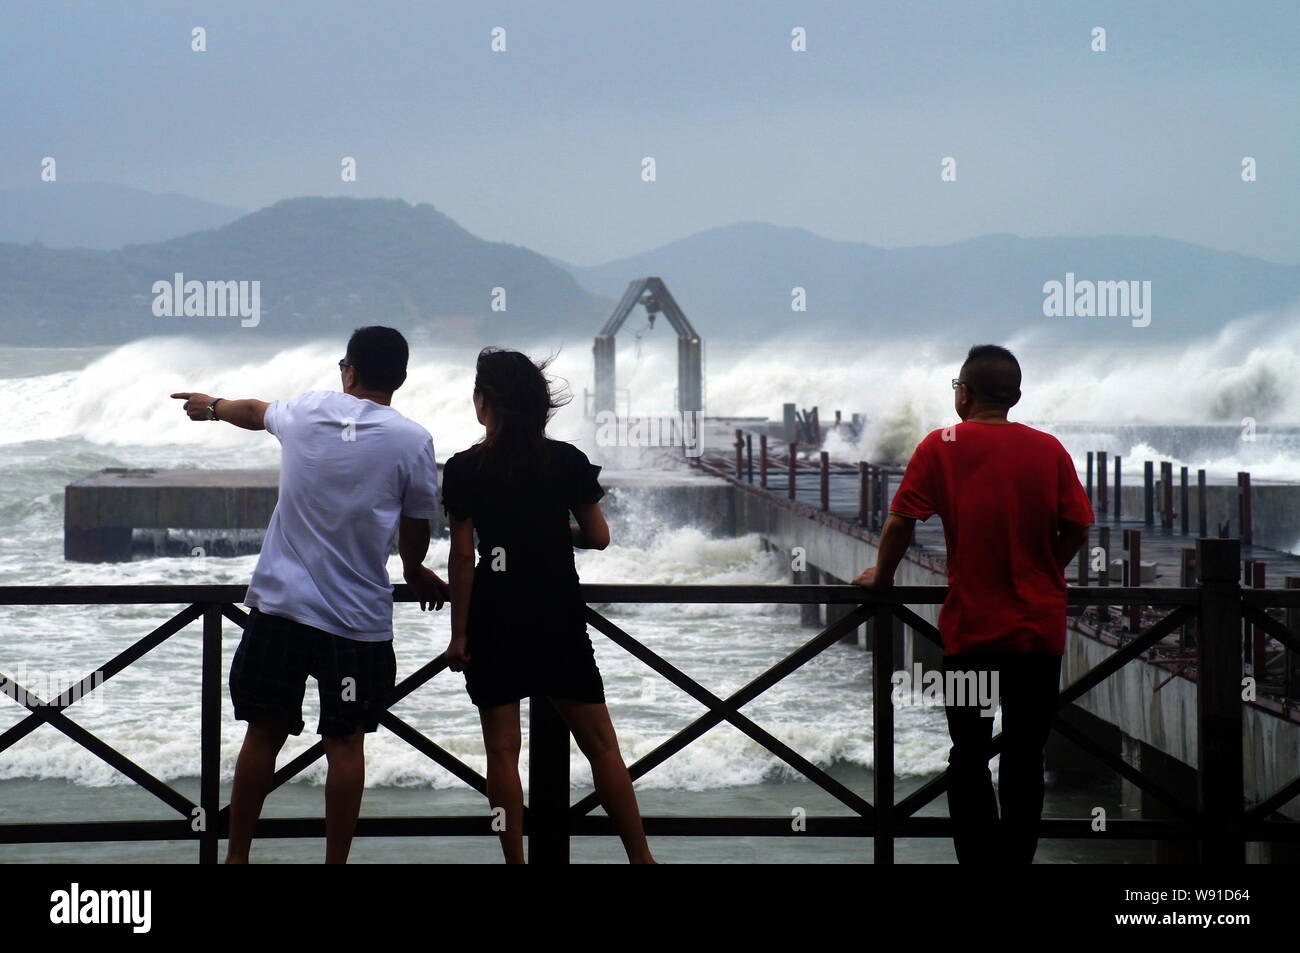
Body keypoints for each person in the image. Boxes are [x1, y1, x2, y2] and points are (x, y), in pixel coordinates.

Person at [171, 326, 449, 864]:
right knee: (347, 745)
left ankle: (236, 858)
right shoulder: (412, 440)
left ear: (348, 370)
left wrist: (212, 406)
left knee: (263, 735)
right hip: (357, 622)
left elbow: (253, 412)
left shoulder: (309, 410)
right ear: (403, 378)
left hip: (281, 609)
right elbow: (418, 523)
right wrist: (414, 570)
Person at [853, 344, 1093, 864]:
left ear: (964, 393)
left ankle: (978, 863)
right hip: (1037, 635)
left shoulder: (943, 445)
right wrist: (1046, 566)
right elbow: (1078, 523)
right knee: (1026, 757)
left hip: (971, 636)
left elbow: (900, 523)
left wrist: (883, 575)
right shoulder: (1048, 448)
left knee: (968, 755)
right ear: (1017, 396)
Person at [440, 347, 655, 864]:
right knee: (603, 749)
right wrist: (551, 529)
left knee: (502, 755)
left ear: (484, 401)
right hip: (558, 618)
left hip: (494, 622)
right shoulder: (566, 460)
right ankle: (642, 860)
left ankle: (517, 861)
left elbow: (463, 556)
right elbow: (600, 537)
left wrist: (460, 635)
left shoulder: (465, 468)